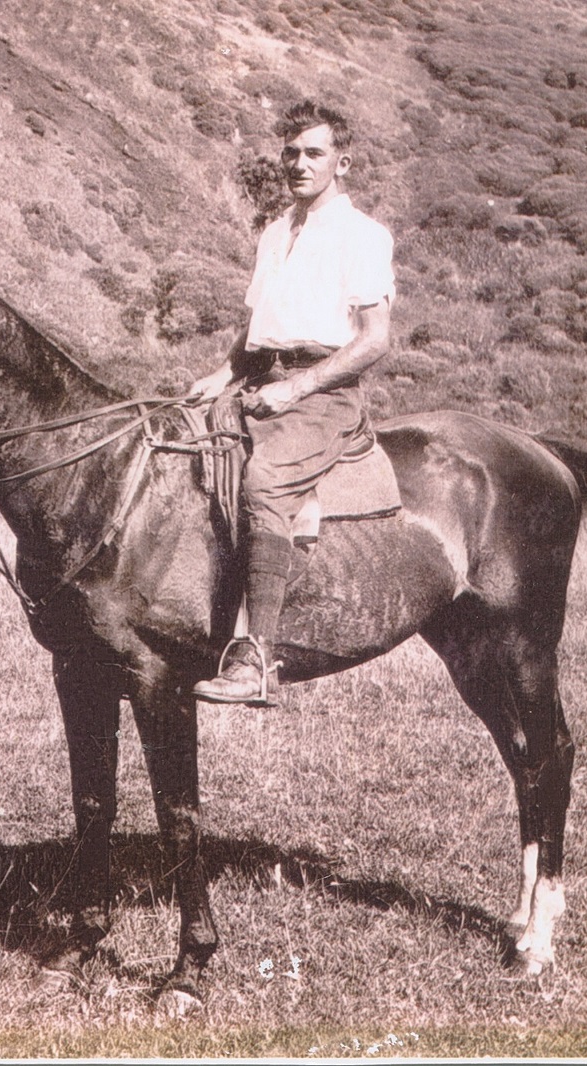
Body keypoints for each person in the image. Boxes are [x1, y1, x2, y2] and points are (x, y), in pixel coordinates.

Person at [188, 99, 395, 706]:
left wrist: (300, 387)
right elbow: (258, 325)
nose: (299, 164)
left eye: (314, 153)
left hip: (325, 393)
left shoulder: (363, 235)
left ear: (342, 162)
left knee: (264, 478)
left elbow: (375, 338)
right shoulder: (275, 234)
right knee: (185, 452)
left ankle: (257, 659)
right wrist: (222, 372)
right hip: (261, 380)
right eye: (291, 153)